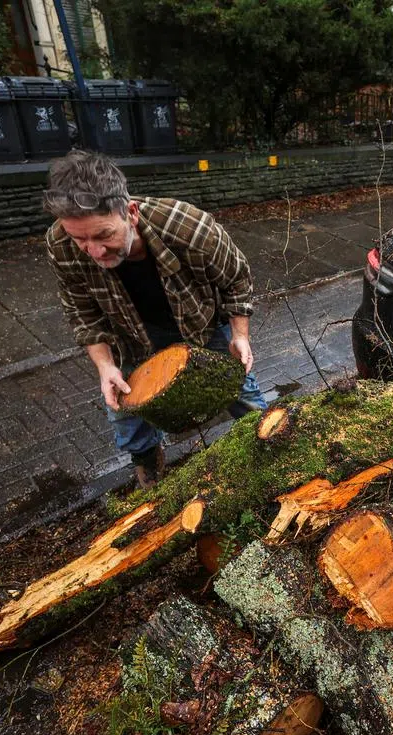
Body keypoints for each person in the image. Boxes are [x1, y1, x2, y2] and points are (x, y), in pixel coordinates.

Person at [43, 150, 267, 489]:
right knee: (124, 412)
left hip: (201, 325)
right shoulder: (60, 245)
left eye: (104, 235)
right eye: (80, 238)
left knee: (244, 394)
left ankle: (267, 445)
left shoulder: (191, 228)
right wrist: (105, 367)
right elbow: (82, 313)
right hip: (129, 337)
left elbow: (237, 279)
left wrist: (240, 335)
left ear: (130, 212)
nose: (94, 250)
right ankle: (148, 466)